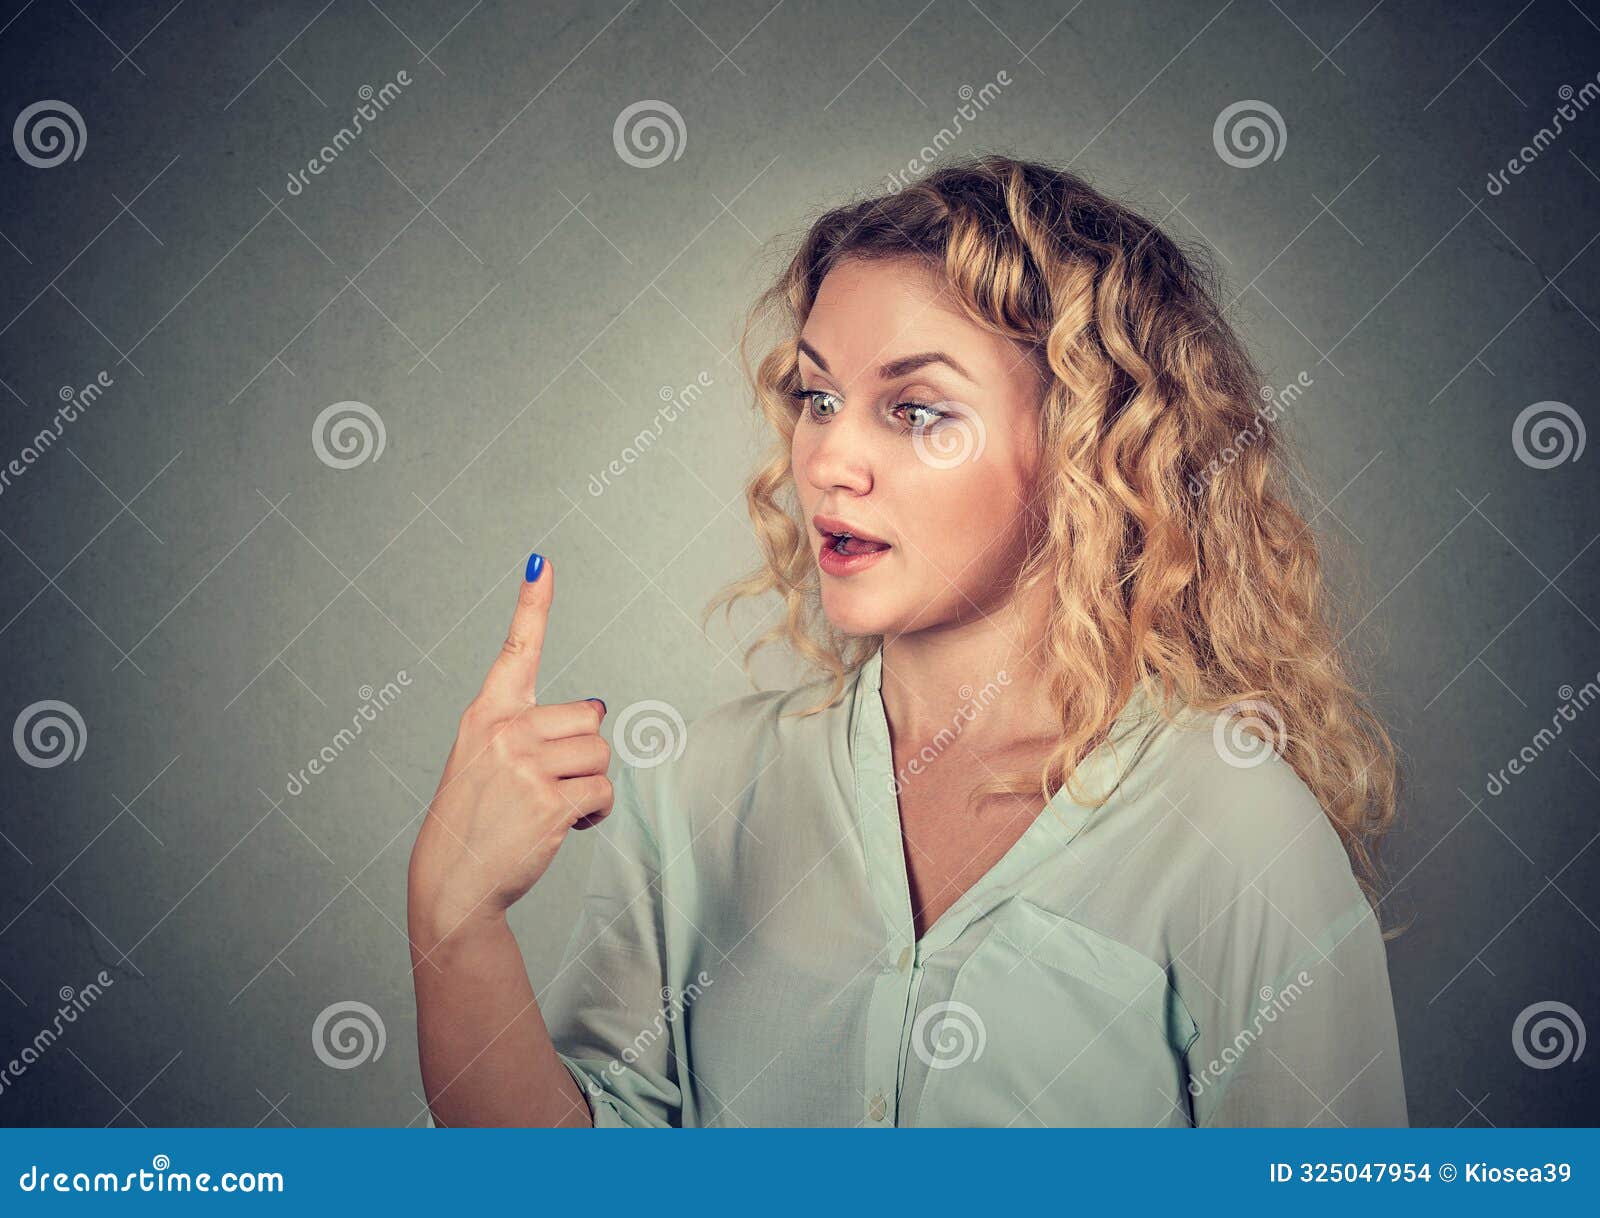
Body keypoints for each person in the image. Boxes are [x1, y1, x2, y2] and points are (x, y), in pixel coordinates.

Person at [407, 155, 1407, 1128]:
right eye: (816, 397)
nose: (829, 458)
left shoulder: (1231, 828)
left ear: (1085, 450)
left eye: (915, 409)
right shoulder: (703, 785)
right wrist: (455, 930)